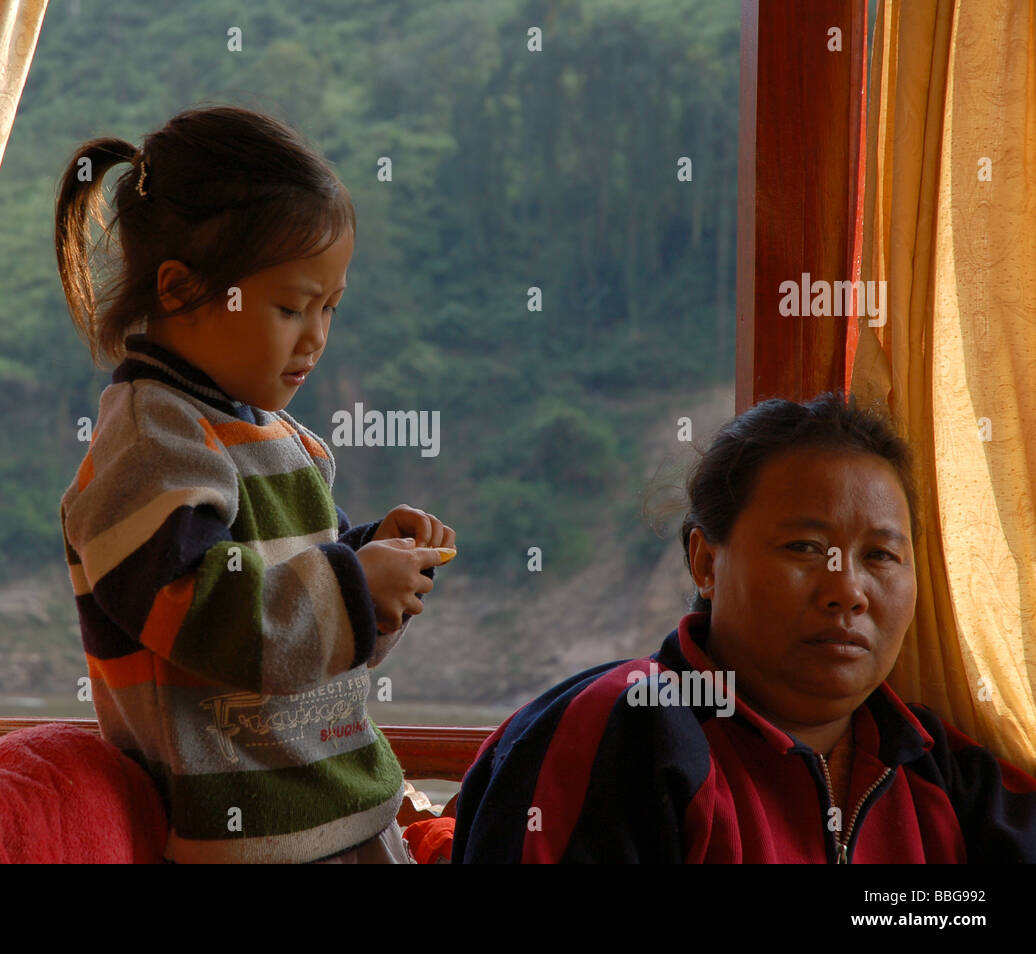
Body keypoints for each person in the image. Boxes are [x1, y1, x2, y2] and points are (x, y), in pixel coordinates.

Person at [55, 105, 456, 863]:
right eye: (290, 307)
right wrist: (355, 586)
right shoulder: (150, 442)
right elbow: (201, 616)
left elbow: (315, 624)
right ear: (178, 291)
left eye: (329, 308)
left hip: (349, 813)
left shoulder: (280, 437)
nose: (316, 336)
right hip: (248, 839)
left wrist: (378, 555)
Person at [451, 391, 1036, 862]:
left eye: (881, 556)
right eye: (805, 547)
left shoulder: (943, 775)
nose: (848, 591)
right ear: (706, 561)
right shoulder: (626, 731)